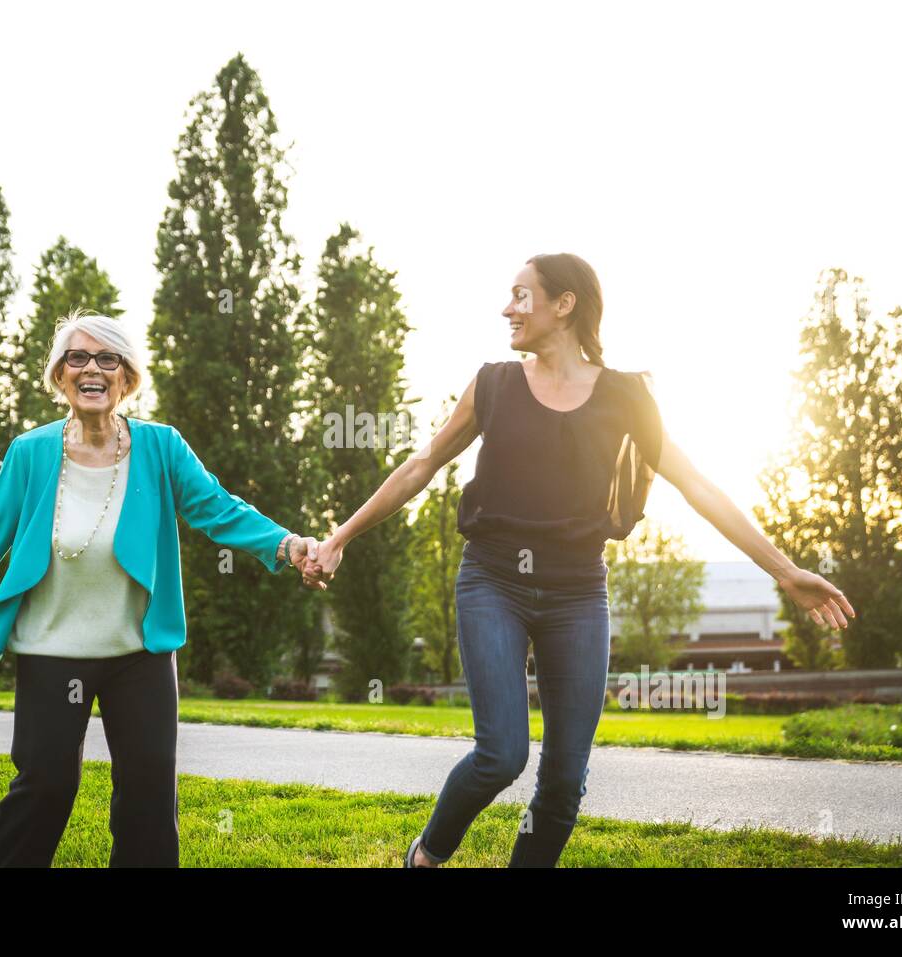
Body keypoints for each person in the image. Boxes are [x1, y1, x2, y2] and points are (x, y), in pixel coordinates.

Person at [304, 253, 855, 867]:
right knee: (502, 755)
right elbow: (421, 465)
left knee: (565, 779)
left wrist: (784, 570)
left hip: (577, 594)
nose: (507, 309)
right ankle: (426, 857)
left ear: (564, 304)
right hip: (493, 582)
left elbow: (697, 485)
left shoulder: (626, 397)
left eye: (521, 296)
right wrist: (341, 537)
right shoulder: (494, 384)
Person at [0, 308, 326, 867]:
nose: (92, 369)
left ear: (127, 377)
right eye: (77, 357)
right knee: (44, 789)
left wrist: (288, 546)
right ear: (59, 374)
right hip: (51, 651)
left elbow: (219, 509)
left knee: (149, 800)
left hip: (139, 654)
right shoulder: (30, 453)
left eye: (107, 358)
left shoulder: (161, 447)